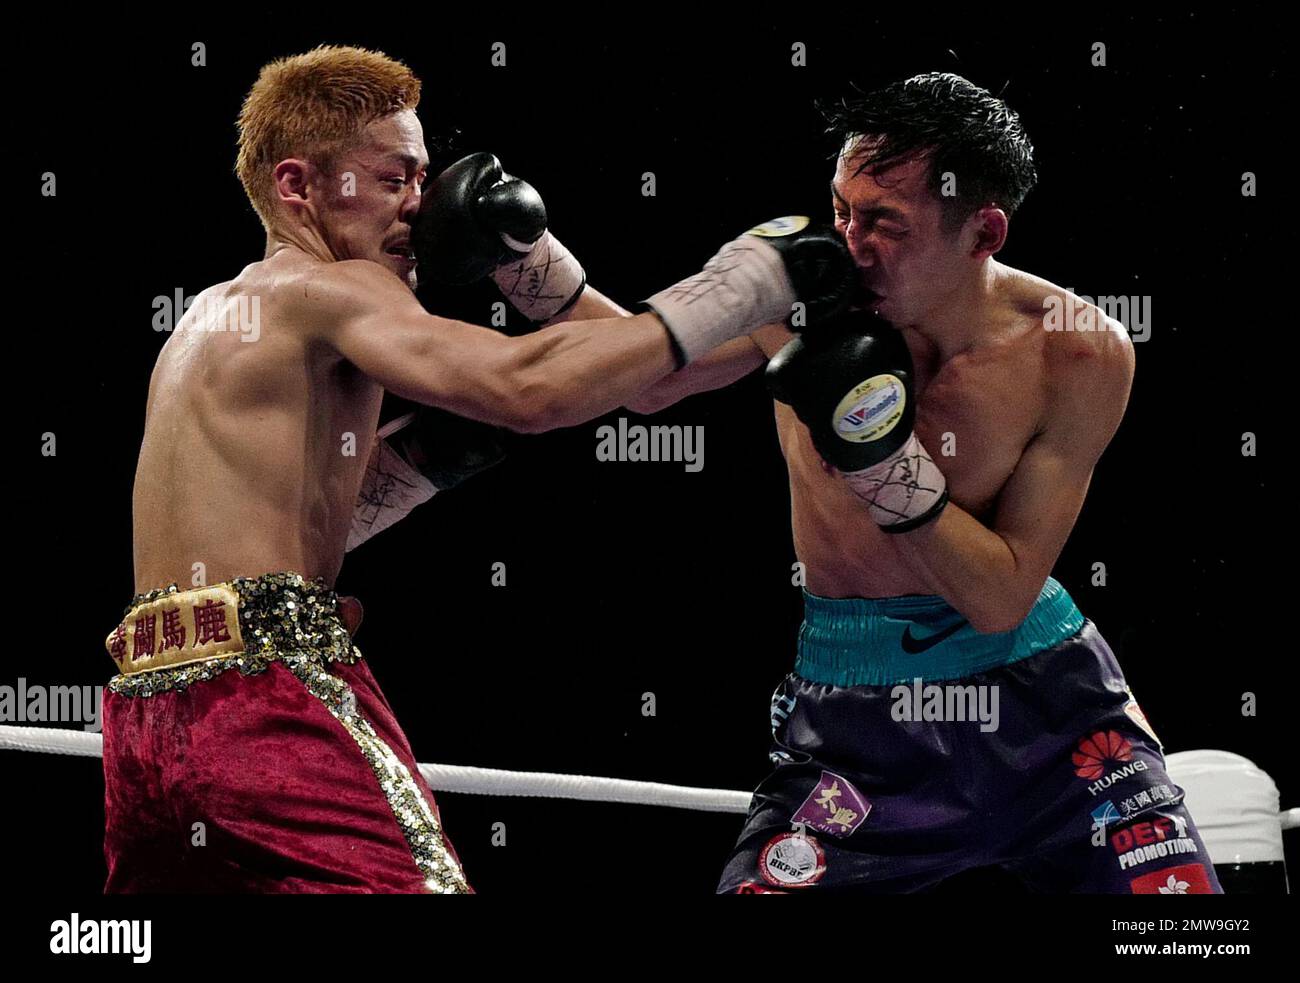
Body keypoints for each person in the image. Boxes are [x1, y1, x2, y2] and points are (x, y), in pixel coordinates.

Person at [101, 44, 855, 893]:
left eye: (422, 182)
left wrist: (419, 464)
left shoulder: (210, 317)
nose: (419, 209)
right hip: (269, 694)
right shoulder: (337, 289)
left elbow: (287, 526)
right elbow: (525, 387)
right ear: (295, 185)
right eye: (393, 179)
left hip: (144, 712)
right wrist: (747, 283)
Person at [624, 72, 1222, 894]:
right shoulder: (798, 295)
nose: (850, 242)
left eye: (884, 223)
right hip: (855, 726)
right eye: (841, 208)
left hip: (1054, 714)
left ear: (983, 232)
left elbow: (1002, 596)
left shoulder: (1079, 349)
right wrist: (526, 261)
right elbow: (639, 380)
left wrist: (879, 458)